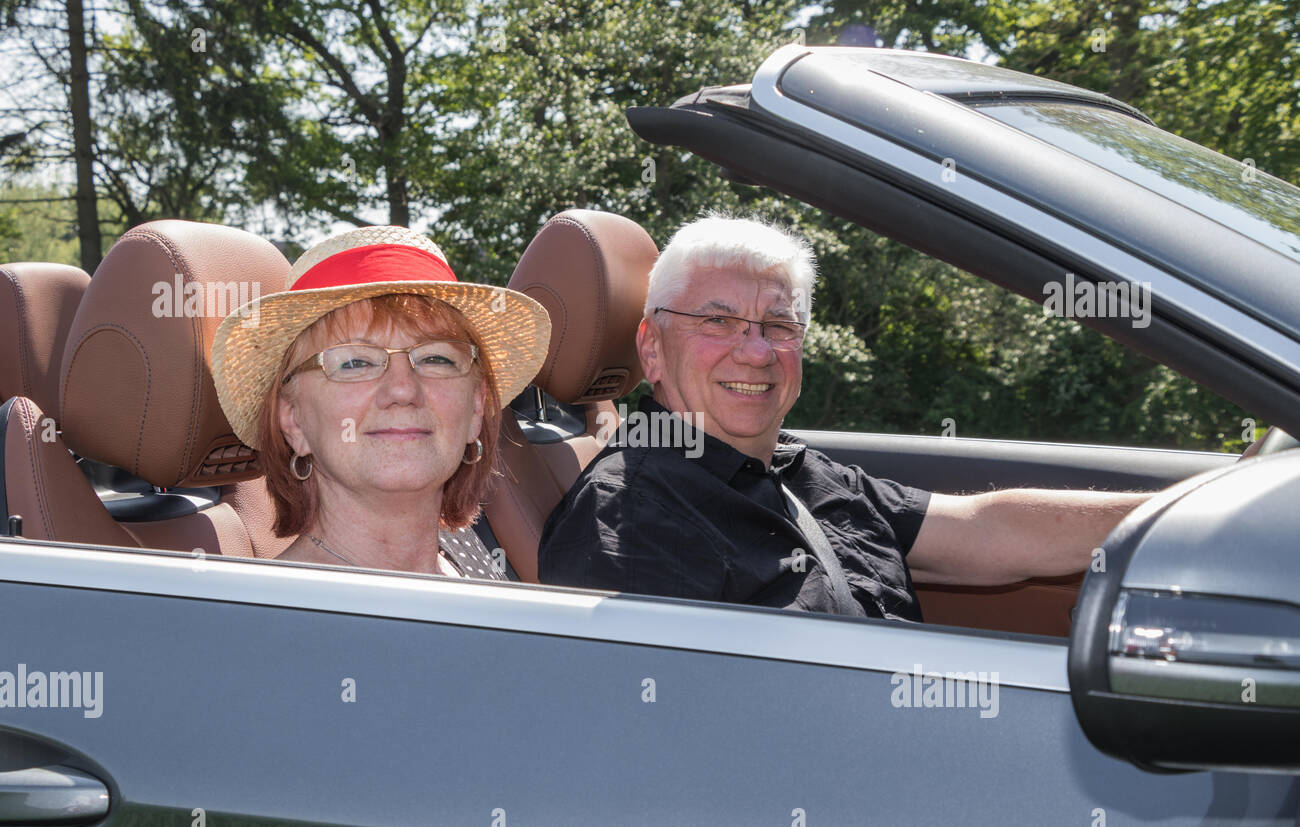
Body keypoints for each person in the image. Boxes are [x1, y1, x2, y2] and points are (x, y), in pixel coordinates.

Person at [537, 215, 1151, 618]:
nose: (755, 350)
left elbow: (984, 531)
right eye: (718, 321)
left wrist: (1190, 516)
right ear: (651, 347)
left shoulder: (800, 474)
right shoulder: (630, 513)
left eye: (779, 325)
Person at [213, 225, 550, 576]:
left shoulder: (480, 563)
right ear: (293, 420)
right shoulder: (261, 619)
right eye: (355, 362)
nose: (403, 390)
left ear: (476, 409)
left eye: (437, 359)